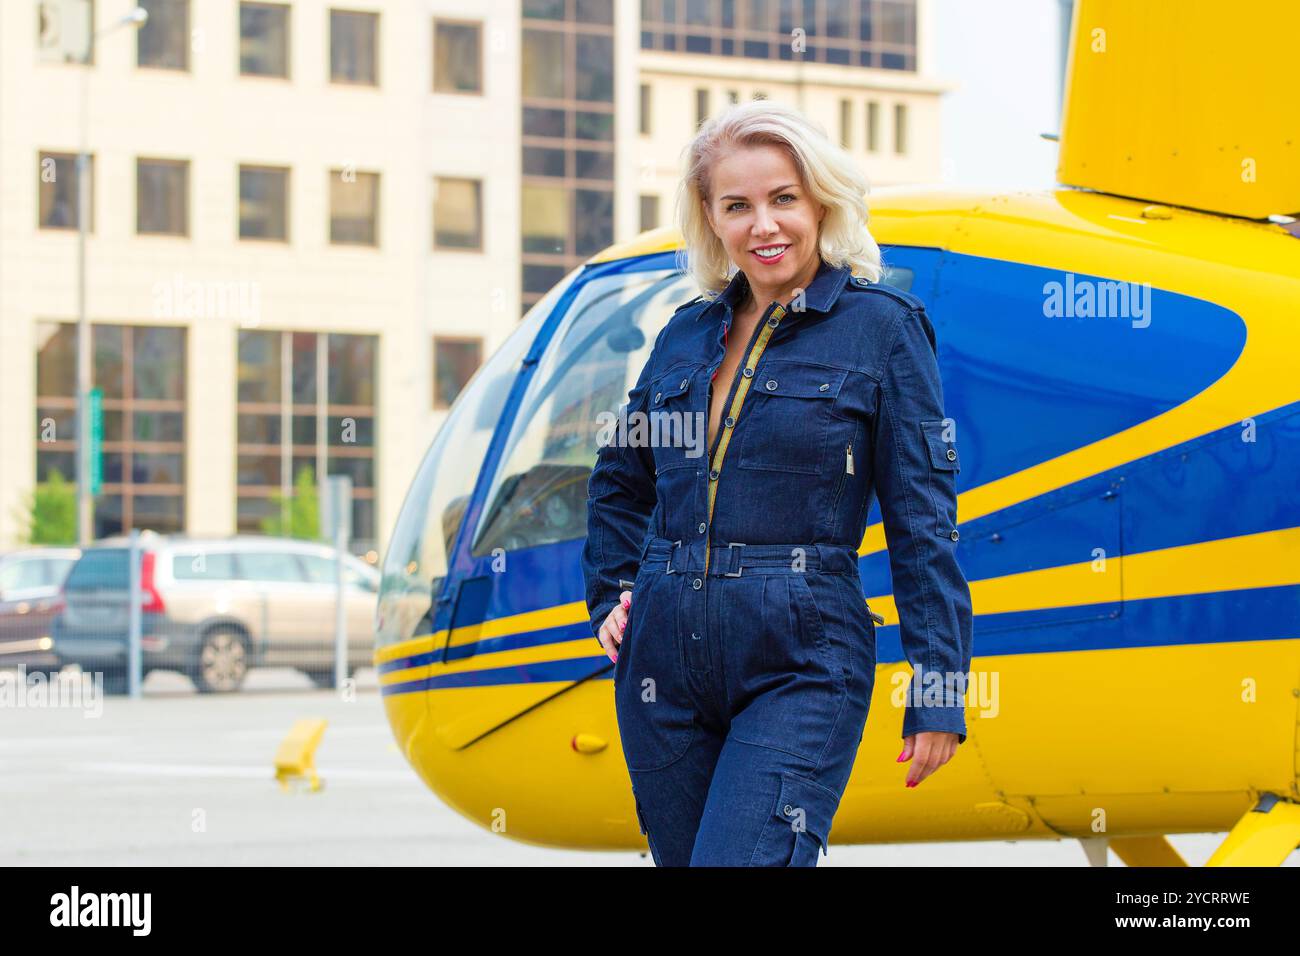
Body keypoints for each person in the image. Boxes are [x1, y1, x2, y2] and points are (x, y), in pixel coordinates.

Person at [580, 100, 973, 866]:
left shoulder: (884, 329)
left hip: (803, 657)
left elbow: (922, 518)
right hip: (664, 660)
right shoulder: (683, 333)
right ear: (711, 218)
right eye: (738, 206)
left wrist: (939, 686)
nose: (764, 225)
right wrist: (612, 594)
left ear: (820, 200)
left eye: (783, 199)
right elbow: (619, 479)